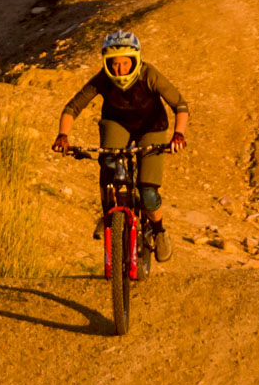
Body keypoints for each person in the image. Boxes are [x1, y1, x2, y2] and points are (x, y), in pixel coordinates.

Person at [52, 30, 189, 261]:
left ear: (135, 60)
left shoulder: (149, 74)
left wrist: (178, 135)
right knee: (108, 163)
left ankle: (159, 232)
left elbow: (180, 105)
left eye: (125, 63)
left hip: (151, 127)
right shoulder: (103, 80)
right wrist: (62, 136)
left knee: (147, 192)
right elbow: (72, 107)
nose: (119, 69)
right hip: (117, 122)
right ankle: (108, 216)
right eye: (114, 64)